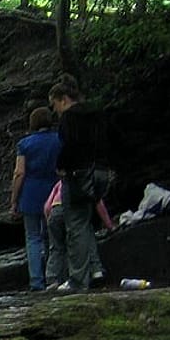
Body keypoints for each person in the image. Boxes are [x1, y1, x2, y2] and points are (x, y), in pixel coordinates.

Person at [49, 77, 116, 291]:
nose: (56, 110)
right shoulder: (97, 114)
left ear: (64, 99)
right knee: (86, 222)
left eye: (55, 105)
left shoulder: (70, 118)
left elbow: (71, 145)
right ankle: (93, 271)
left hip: (79, 174)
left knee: (76, 225)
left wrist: (61, 166)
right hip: (102, 172)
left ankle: (78, 280)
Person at [10, 106, 61, 291]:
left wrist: (14, 199)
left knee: (32, 238)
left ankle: (36, 281)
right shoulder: (59, 140)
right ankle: (53, 278)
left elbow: (19, 172)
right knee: (51, 236)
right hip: (54, 191)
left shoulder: (25, 144)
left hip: (31, 193)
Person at [43, 179, 114, 288]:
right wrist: (109, 225)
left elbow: (47, 206)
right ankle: (96, 270)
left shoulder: (60, 183)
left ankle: (53, 278)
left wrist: (50, 222)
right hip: (72, 209)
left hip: (54, 211)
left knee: (56, 247)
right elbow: (98, 204)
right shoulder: (86, 181)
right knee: (83, 236)